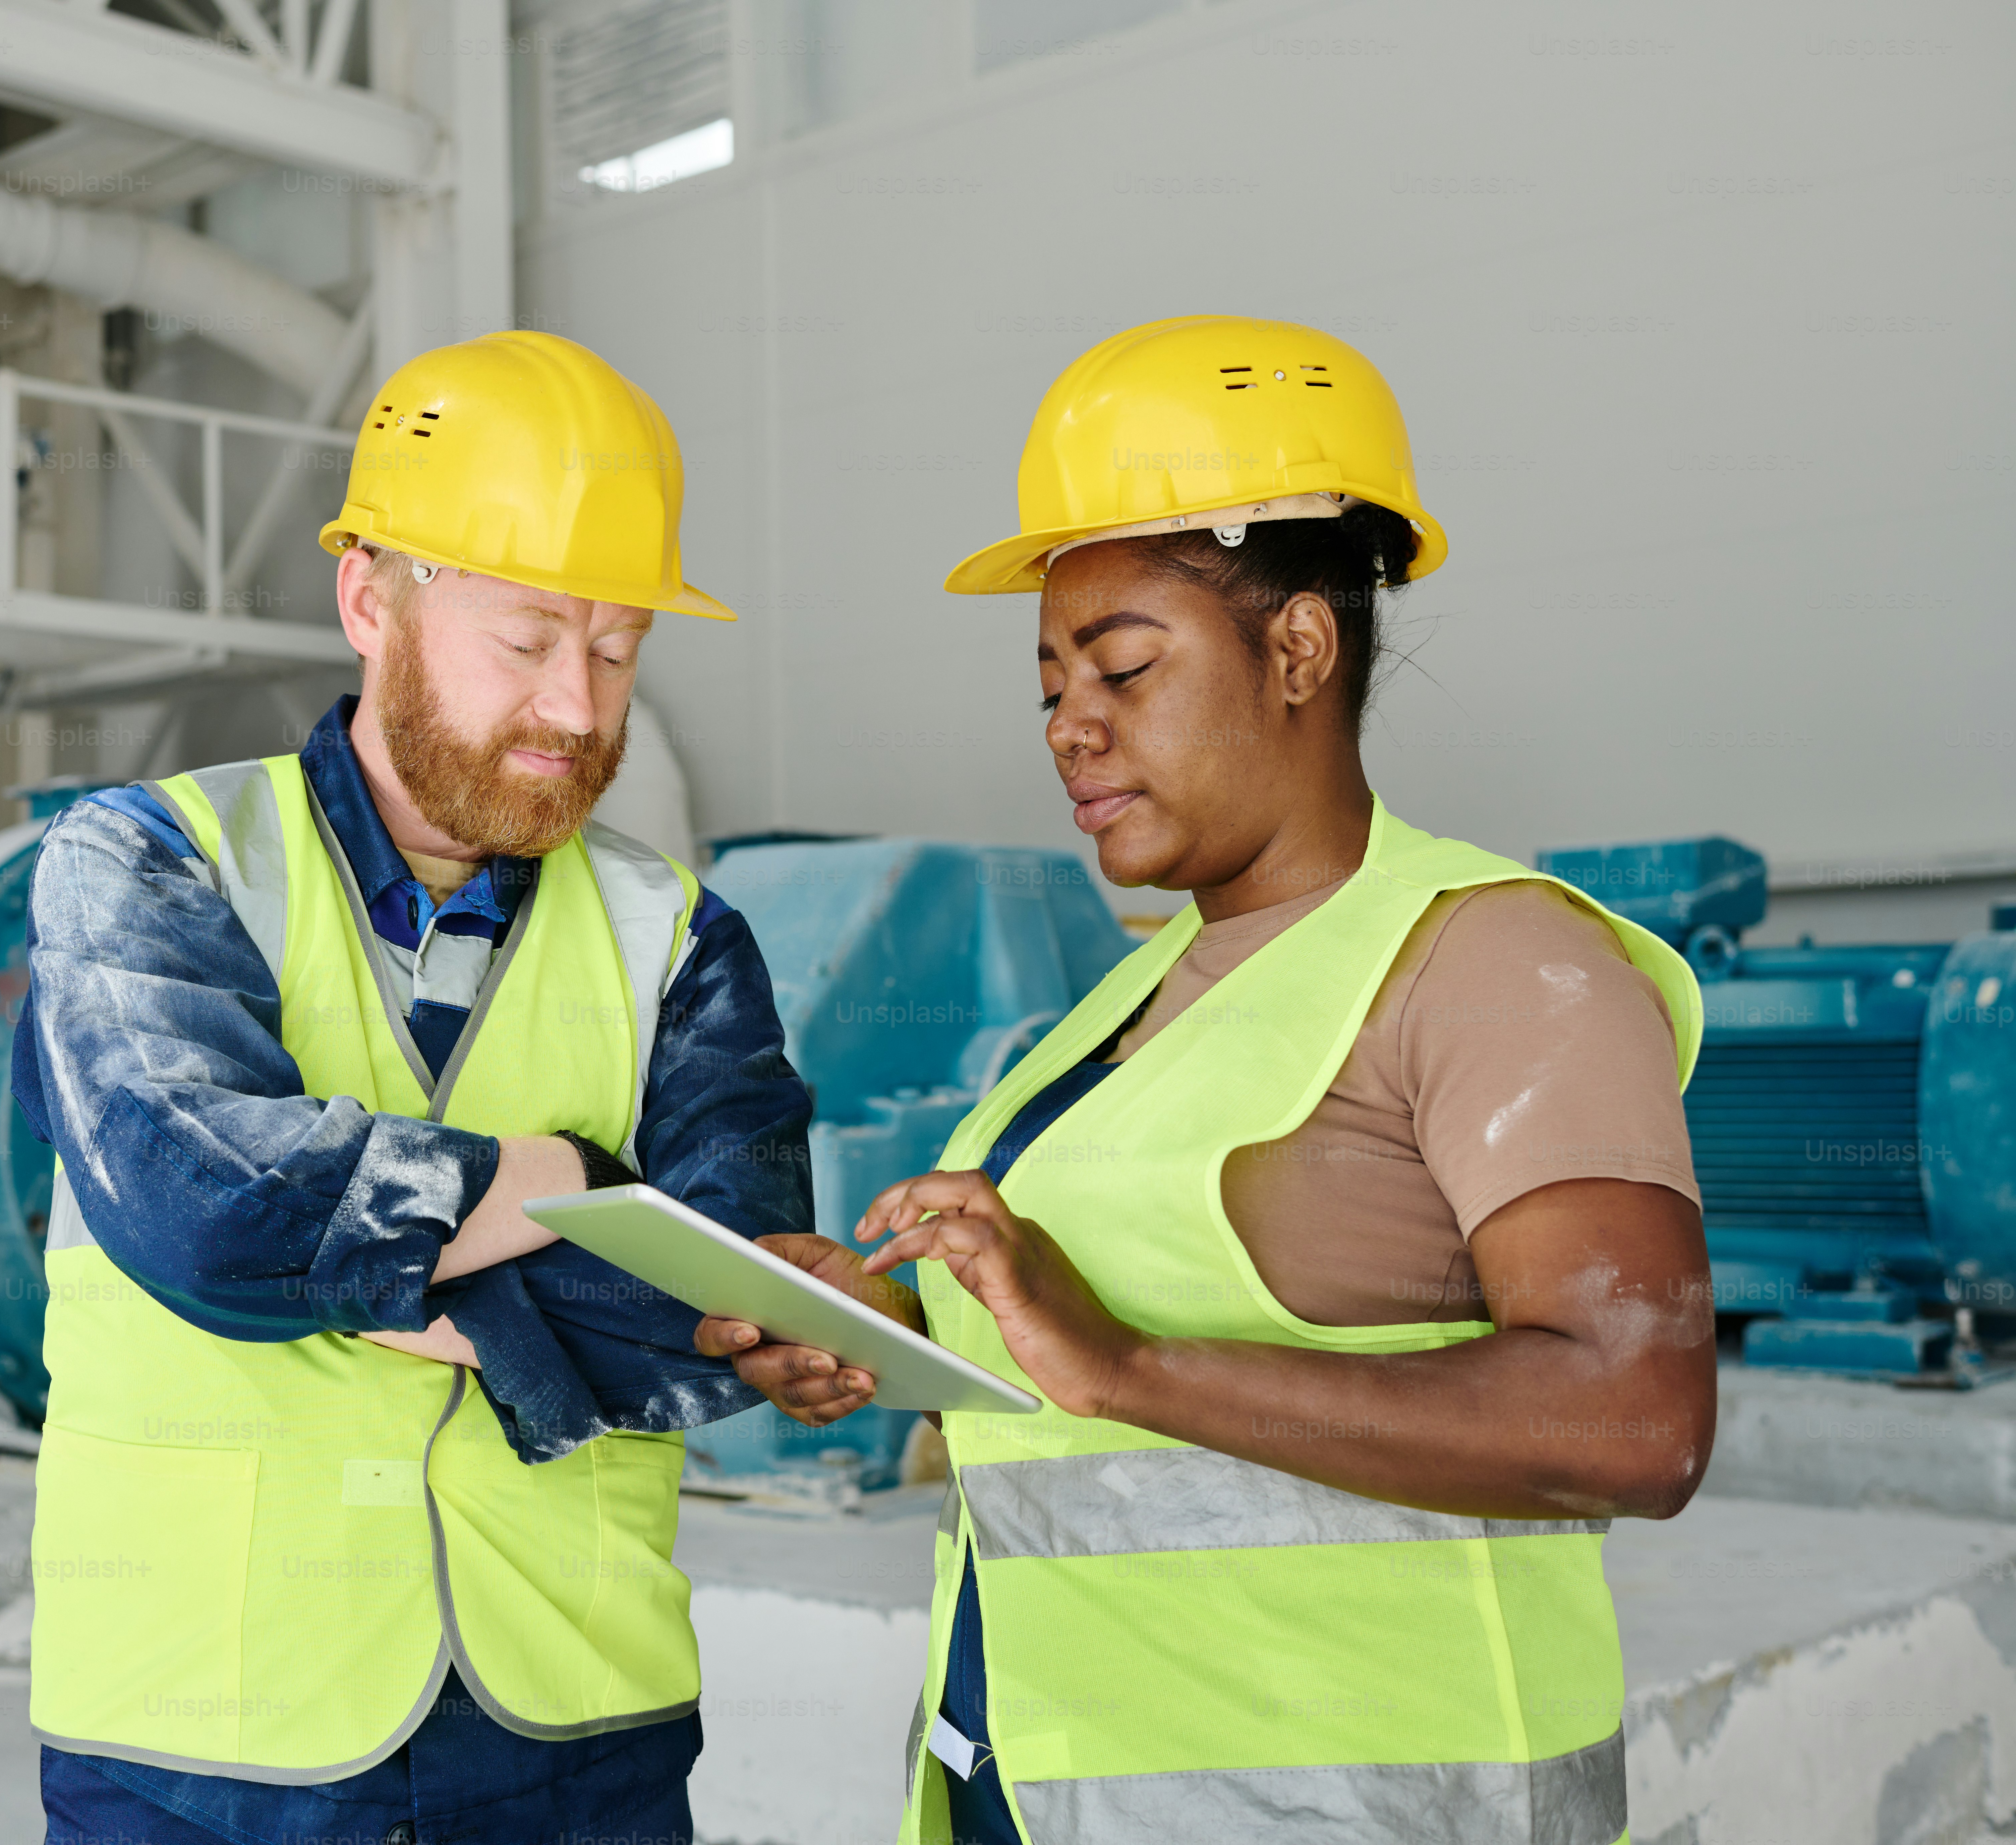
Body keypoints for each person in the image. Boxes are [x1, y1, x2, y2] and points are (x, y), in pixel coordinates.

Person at [701, 315, 1712, 1845]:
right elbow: (1067, 1349)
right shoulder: (1132, 990)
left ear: (1298, 647)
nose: (1069, 725)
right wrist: (878, 1321)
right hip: (1044, 1782)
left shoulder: (1495, 962)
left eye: (1120, 665)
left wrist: (1132, 1368)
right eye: (1049, 684)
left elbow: (1640, 1415)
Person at [17, 330, 813, 1845]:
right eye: (529, 641)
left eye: (620, 647)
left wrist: (373, 1267)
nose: (580, 708)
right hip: (208, 1745)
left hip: (582, 1741)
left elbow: (729, 1303)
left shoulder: (683, 940)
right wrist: (576, 1183)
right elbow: (214, 1214)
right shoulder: (146, 865)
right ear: (372, 597)